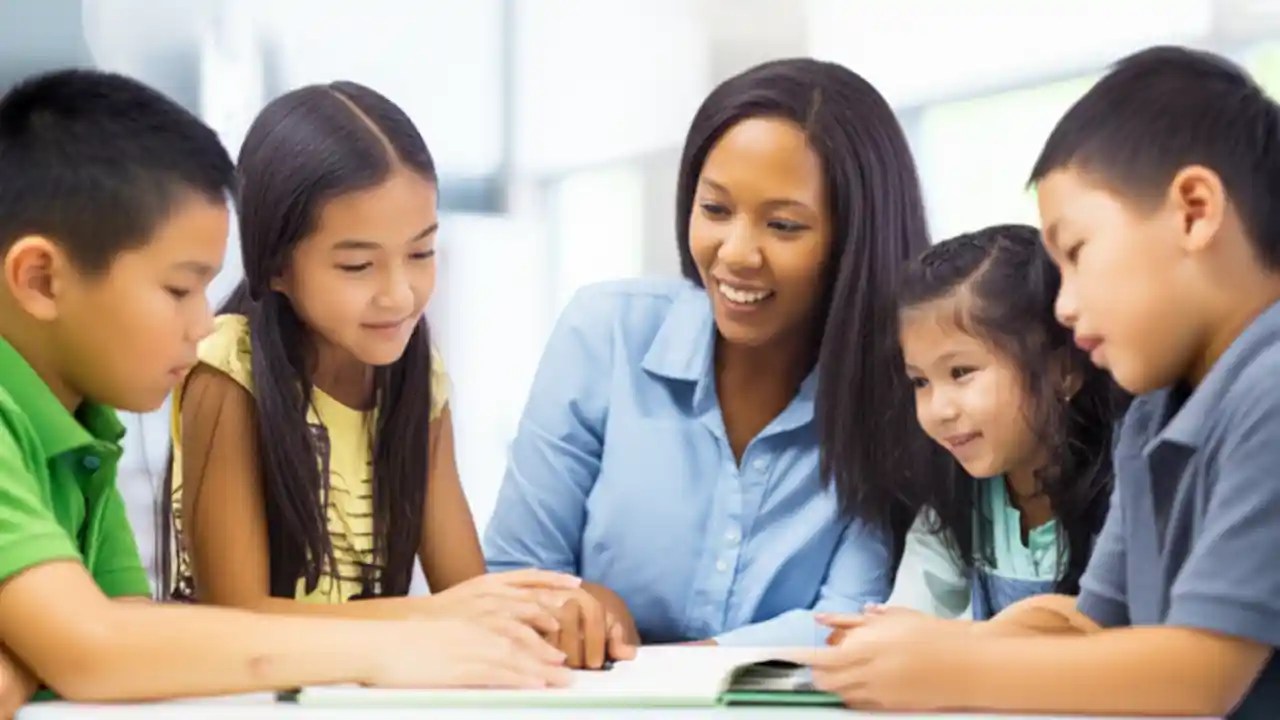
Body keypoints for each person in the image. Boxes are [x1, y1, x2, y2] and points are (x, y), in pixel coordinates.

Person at [0, 69, 567, 706]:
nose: (203, 321)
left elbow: (124, 630)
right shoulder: (222, 370)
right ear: (42, 280)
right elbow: (101, 649)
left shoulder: (87, 428)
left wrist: (32, 657)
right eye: (180, 290)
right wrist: (400, 639)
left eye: (422, 252)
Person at [797, 46, 1280, 719]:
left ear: (1194, 211)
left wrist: (951, 669)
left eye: (1077, 254)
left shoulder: (1270, 392)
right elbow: (1089, 623)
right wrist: (940, 643)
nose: (1064, 307)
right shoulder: (1153, 413)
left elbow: (1197, 676)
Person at [484, 57, 942, 653]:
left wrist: (669, 667)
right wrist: (583, 605)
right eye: (716, 210)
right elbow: (516, 578)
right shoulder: (606, 333)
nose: (736, 254)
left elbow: (852, 621)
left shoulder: (901, 389)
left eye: (783, 225)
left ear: (856, 239)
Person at [164, 81, 625, 669]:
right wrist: (444, 615)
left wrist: (545, 608)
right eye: (358, 265)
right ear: (275, 265)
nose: (400, 294)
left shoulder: (417, 380)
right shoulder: (230, 369)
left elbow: (465, 591)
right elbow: (239, 618)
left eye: (422, 253)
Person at [826, 225, 1120, 642]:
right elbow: (909, 620)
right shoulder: (951, 507)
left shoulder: (1124, 498)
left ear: (1063, 371)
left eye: (961, 373)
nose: (937, 410)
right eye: (919, 382)